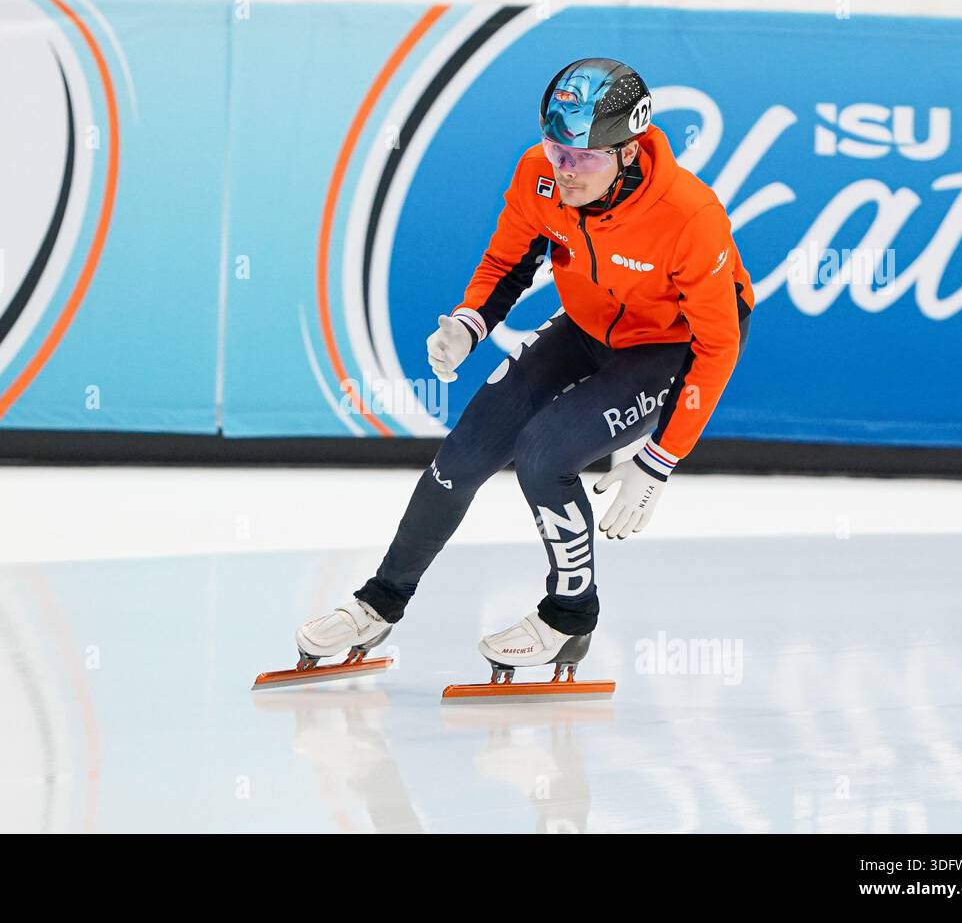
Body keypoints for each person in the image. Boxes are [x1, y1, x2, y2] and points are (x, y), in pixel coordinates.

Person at [297, 57, 754, 680]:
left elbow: (718, 344)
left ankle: (569, 619)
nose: (565, 169)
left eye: (584, 156)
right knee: (461, 455)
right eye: (556, 148)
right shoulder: (539, 175)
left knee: (544, 455)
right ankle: (380, 602)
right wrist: (468, 322)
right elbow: (508, 262)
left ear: (627, 151)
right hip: (586, 327)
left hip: (666, 349)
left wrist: (659, 462)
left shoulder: (688, 215)